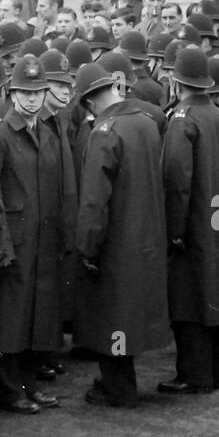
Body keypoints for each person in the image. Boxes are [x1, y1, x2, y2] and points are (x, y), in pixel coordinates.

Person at [71, 62, 170, 408]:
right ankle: (118, 383)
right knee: (126, 316)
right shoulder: (145, 123)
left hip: (115, 242)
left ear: (89, 101)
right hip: (146, 237)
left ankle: (118, 388)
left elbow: (94, 200)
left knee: (110, 316)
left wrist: (86, 247)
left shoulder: (104, 131)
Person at [0, 54, 75, 413]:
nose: (32, 98)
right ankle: (8, 390)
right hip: (15, 243)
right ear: (11, 92)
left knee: (38, 316)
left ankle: (29, 385)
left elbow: (59, 188)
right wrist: (0, 242)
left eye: (38, 91)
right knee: (10, 320)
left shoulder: (47, 133)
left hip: (43, 242)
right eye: (25, 92)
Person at [159, 46, 219, 395]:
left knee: (190, 300)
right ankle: (213, 372)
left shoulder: (183, 119)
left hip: (194, 224)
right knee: (217, 295)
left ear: (176, 81)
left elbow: (177, 181)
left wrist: (174, 230)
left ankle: (192, 375)